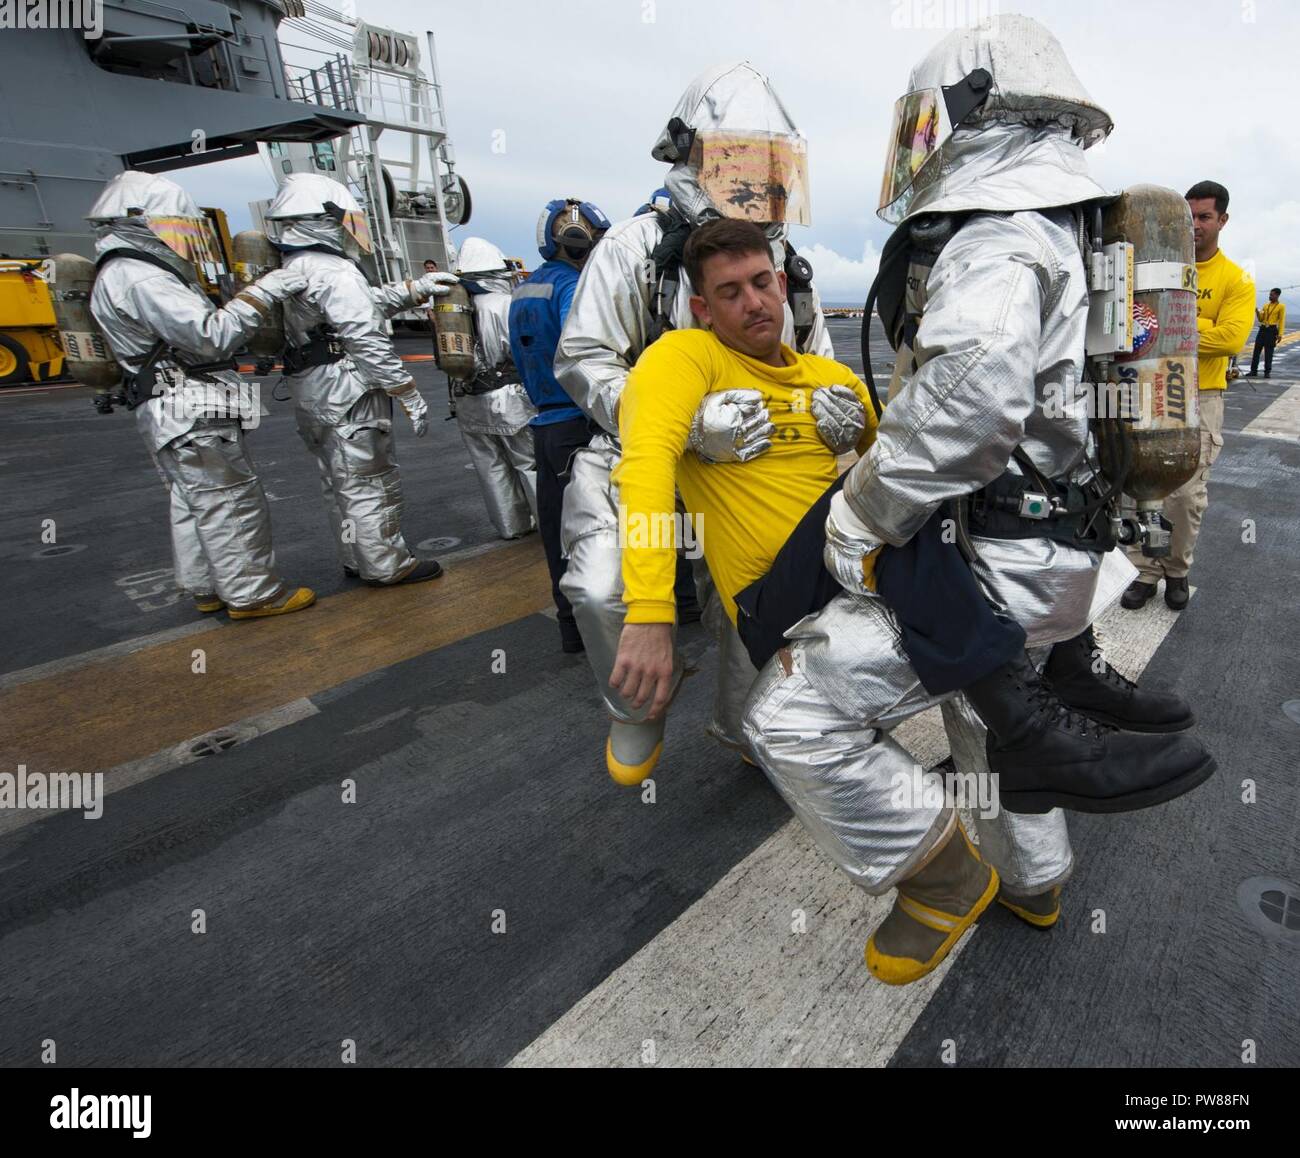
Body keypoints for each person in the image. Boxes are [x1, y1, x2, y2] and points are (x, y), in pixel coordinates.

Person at [698, 18, 1211, 986]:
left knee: (791, 717)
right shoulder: (1072, 228)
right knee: (983, 717)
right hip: (1066, 558)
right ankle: (1038, 877)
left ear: (971, 118)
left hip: (1000, 555)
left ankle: (936, 876)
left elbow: (968, 401)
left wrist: (860, 519)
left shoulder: (997, 238)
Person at [555, 61, 860, 784]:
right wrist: (687, 423)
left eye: (772, 166)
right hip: (642, 449)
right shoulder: (635, 250)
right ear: (694, 159)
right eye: (741, 162)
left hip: (751, 462)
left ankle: (749, 723)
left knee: (764, 596)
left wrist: (840, 415)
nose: (760, 183)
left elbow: (810, 361)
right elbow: (582, 359)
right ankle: (636, 706)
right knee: (601, 587)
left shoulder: (785, 267)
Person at [87, 170, 315, 619]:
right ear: (143, 221)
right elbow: (211, 338)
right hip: (191, 406)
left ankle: (206, 585)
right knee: (231, 503)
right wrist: (266, 289)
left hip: (168, 408)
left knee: (194, 501)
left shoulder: (121, 269)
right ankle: (254, 595)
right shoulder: (142, 277)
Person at [262, 174, 454, 587]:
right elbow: (363, 336)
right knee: (370, 479)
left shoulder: (295, 265)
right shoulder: (334, 270)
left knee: (338, 480)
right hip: (348, 391)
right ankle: (386, 564)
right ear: (325, 219)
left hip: (312, 389)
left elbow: (358, 308)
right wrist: (406, 389)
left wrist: (414, 289)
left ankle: (357, 555)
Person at [1122, 180, 1255, 611]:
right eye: (1188, 216)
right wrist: (1181, 323)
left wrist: (1174, 321)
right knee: (1138, 484)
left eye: (1204, 217)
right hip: (1150, 385)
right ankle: (1144, 570)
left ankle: (1176, 570)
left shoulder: (1235, 280)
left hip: (1200, 394)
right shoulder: (1153, 266)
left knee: (1184, 496)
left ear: (1222, 220)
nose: (1195, 225)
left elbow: (1231, 339)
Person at [509, 198, 612, 652]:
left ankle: (570, 627)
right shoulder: (575, 287)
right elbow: (585, 354)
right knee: (594, 532)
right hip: (579, 424)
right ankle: (602, 634)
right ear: (576, 240)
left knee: (556, 532)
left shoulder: (525, 289)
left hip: (545, 426)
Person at [451, 237, 539, 540]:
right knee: (529, 463)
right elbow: (523, 351)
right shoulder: (503, 305)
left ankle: (511, 527)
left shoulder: (454, 309)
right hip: (509, 401)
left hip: (468, 402)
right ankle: (547, 521)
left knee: (490, 468)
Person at [1247, 287, 1285, 378]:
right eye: (1270, 294)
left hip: (1271, 331)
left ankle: (1267, 372)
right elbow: (1261, 319)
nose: (1270, 296)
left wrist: (1280, 334)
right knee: (1256, 350)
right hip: (1263, 329)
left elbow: (1282, 321)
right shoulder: (1265, 306)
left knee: (1269, 352)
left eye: (1272, 295)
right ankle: (1253, 370)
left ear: (1277, 295)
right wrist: (1257, 312)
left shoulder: (1281, 306)